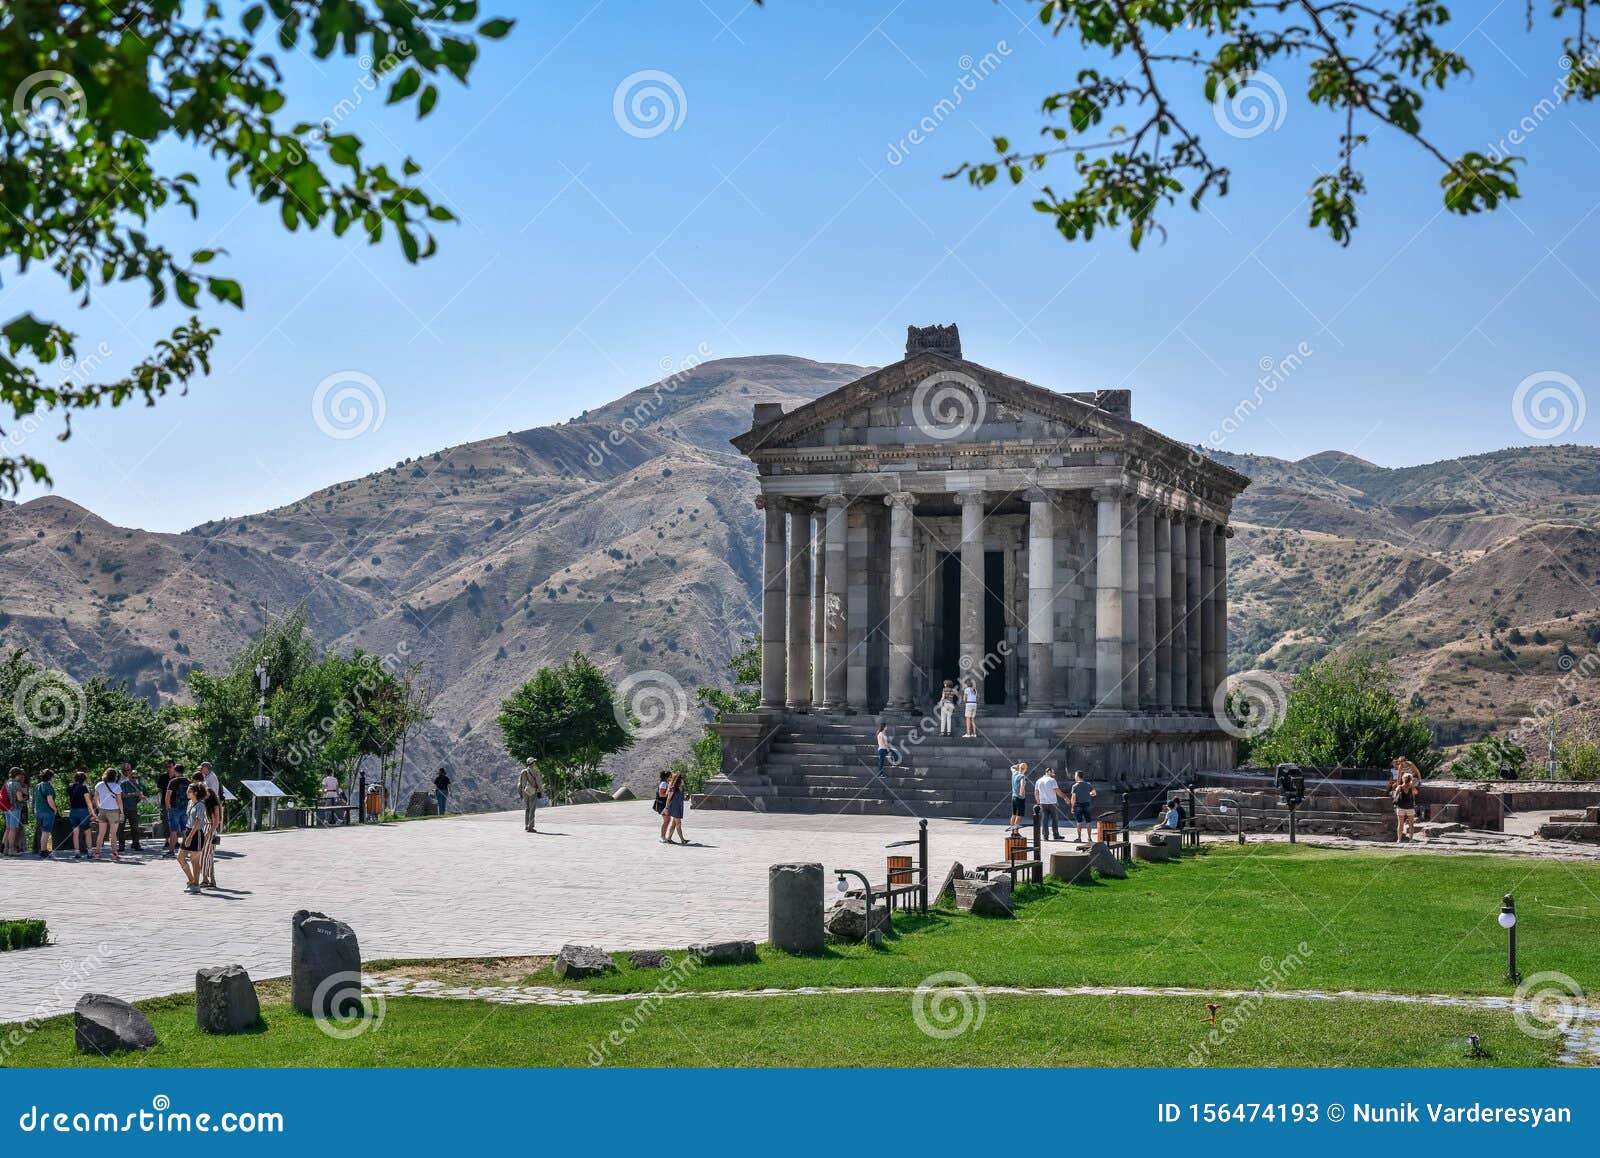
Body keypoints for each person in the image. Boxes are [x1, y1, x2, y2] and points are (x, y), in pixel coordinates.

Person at [177, 783, 209, 893]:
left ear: (195, 793)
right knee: (180, 857)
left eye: (189, 791)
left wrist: (190, 837)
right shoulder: (190, 803)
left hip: (197, 833)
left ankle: (196, 884)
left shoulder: (201, 805)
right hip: (189, 830)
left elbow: (198, 821)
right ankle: (191, 880)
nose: (187, 792)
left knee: (194, 860)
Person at [91, 767, 123, 862]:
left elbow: (95, 798)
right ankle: (114, 853)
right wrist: (122, 812)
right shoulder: (117, 786)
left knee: (101, 833)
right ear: (115, 776)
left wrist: (99, 806)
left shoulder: (99, 785)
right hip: (113, 810)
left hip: (102, 810)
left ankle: (97, 853)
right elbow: (119, 801)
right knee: (113, 834)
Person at [163, 764, 191, 859]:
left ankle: (171, 851)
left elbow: (167, 796)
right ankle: (189, 850)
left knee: (173, 831)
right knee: (185, 830)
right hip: (185, 808)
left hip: (174, 808)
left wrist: (168, 807)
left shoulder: (173, 782)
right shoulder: (188, 781)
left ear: (175, 771)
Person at [66, 771, 94, 859]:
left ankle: (77, 852)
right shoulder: (83, 787)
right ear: (84, 779)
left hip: (73, 811)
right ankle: (89, 852)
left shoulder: (70, 787)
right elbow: (88, 800)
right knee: (87, 832)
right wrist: (92, 812)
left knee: (75, 832)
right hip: (83, 811)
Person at [199, 785, 223, 888]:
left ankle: (205, 879)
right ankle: (212, 879)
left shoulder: (215, 806)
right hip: (206, 829)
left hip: (210, 831)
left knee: (204, 856)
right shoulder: (206, 805)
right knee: (208, 857)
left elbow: (216, 821)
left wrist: (209, 833)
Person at [117, 763, 143, 853]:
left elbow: (138, 796)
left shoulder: (136, 784)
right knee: (121, 828)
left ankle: (136, 844)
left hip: (133, 808)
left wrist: (139, 797)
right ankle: (121, 846)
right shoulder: (122, 783)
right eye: (133, 777)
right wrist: (133, 794)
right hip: (122, 809)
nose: (135, 779)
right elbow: (121, 795)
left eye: (136, 778)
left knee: (135, 828)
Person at [33, 770, 57, 859]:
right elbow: (50, 799)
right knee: (46, 832)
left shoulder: (37, 786)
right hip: (47, 811)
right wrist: (55, 809)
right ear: (50, 777)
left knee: (42, 831)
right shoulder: (48, 787)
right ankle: (43, 850)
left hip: (38, 811)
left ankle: (42, 849)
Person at [1069, 770, 1099, 843]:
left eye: (1075, 775)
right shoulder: (1088, 784)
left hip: (1078, 805)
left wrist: (1072, 807)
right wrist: (1089, 794)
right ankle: (1089, 838)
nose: (1075, 777)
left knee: (1079, 822)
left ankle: (1079, 838)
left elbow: (1073, 798)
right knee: (1088, 822)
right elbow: (1094, 793)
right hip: (1087, 804)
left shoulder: (1075, 786)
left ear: (1078, 776)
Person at [1034, 767, 1063, 840]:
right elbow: (1057, 790)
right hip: (1052, 802)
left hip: (1043, 803)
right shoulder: (1052, 780)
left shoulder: (1039, 780)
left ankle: (1045, 836)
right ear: (1048, 772)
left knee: (1044, 819)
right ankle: (1056, 835)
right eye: (1053, 772)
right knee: (1055, 819)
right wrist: (1065, 797)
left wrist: (1038, 802)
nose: (1054, 774)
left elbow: (1036, 792)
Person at [517, 758, 545, 833]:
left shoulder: (523, 771)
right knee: (532, 810)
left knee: (527, 809)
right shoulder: (536, 772)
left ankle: (526, 825)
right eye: (534, 762)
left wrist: (520, 793)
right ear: (532, 763)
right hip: (533, 792)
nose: (535, 763)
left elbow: (519, 783)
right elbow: (539, 783)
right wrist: (541, 792)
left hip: (525, 791)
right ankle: (530, 827)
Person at [1392, 771, 1420, 843]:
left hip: (1400, 807)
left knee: (1400, 824)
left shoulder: (1400, 787)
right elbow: (1416, 793)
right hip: (1410, 807)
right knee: (1411, 824)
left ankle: (1399, 839)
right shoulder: (1412, 787)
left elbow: (1395, 795)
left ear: (1403, 779)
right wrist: (1412, 785)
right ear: (1410, 779)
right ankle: (1410, 839)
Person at [662, 771, 688, 845]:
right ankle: (682, 840)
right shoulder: (673, 788)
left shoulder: (682, 788)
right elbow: (668, 798)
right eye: (682, 779)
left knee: (674, 824)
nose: (683, 780)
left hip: (679, 807)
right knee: (678, 823)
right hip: (674, 807)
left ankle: (669, 838)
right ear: (678, 780)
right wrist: (666, 808)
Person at [0, 768, 22, 857]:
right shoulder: (16, 784)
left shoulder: (7, 783)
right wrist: (25, 798)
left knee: (8, 828)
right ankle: (11, 849)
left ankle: (5, 849)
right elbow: (19, 798)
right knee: (13, 829)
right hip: (15, 808)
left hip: (6, 808)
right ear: (17, 775)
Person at [1007, 762, 1029, 832]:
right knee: (1019, 815)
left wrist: (1018, 765)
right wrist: (1021, 792)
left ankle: (1012, 830)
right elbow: (1022, 784)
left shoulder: (1014, 773)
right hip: (1020, 798)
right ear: (1025, 769)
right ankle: (1016, 832)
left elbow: (1012, 767)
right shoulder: (1022, 776)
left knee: (1014, 814)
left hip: (1014, 797)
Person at [655, 773, 671, 841]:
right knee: (666, 820)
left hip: (666, 805)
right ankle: (662, 836)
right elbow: (661, 794)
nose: (671, 777)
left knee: (667, 820)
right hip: (662, 805)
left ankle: (664, 836)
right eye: (670, 776)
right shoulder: (663, 784)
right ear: (666, 777)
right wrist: (669, 794)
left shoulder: (666, 783)